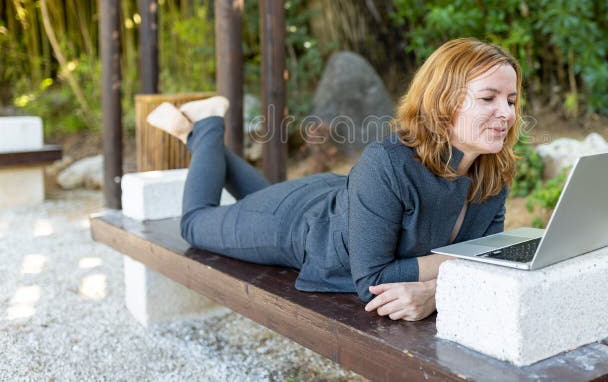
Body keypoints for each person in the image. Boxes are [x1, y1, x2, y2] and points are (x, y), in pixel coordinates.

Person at [146, 38, 522, 321]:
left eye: (511, 100)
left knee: (254, 202)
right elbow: (373, 277)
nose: (504, 112)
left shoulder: (493, 172)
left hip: (343, 201)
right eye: (488, 98)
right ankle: (209, 123)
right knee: (195, 225)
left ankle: (194, 132)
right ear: (443, 101)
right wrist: (459, 268)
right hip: (296, 224)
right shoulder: (389, 162)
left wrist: (437, 291)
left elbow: (486, 260)